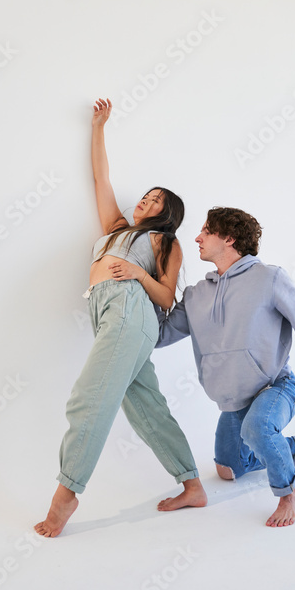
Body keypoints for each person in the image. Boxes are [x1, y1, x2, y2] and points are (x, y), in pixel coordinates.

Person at [34, 98, 206, 538]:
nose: (145, 201)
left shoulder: (166, 243)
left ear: (166, 215)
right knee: (147, 407)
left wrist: (134, 273)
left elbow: (167, 297)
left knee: (87, 400)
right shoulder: (116, 229)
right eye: (146, 196)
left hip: (132, 310)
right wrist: (98, 127)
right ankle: (192, 484)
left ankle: (65, 497)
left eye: (155, 201)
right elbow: (101, 177)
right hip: (111, 313)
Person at [157, 207, 295, 527]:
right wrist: (150, 283)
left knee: (258, 429)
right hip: (235, 400)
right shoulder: (196, 295)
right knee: (227, 469)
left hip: (275, 386)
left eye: (206, 231)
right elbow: (160, 335)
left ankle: (288, 492)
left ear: (229, 238)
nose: (197, 237)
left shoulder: (269, 278)